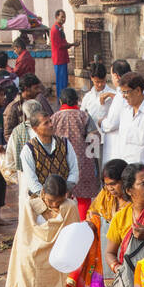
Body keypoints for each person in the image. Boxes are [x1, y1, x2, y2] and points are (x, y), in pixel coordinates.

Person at [68, 158, 128, 287]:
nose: (110, 189)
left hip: (127, 263)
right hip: (105, 262)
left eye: (114, 184)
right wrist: (90, 225)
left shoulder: (133, 201)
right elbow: (94, 213)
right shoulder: (105, 197)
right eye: (107, 185)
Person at [52, 87, 100, 221]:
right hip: (83, 162)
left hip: (60, 163)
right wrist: (93, 160)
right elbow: (94, 138)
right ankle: (82, 225)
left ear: (61, 102)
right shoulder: (84, 116)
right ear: (77, 101)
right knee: (83, 198)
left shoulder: (54, 118)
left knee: (62, 196)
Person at [19, 108, 79, 198]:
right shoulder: (29, 150)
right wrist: (47, 198)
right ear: (35, 129)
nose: (51, 125)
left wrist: (66, 189)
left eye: (50, 121)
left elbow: (74, 170)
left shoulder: (64, 143)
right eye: (46, 123)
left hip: (64, 196)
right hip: (41, 199)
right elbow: (31, 180)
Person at [100, 60, 132, 164]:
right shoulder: (134, 91)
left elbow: (111, 123)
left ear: (116, 76)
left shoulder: (121, 95)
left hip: (118, 145)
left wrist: (102, 122)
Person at [81, 62, 115, 130]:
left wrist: (111, 95)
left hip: (107, 136)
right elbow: (81, 116)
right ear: (91, 78)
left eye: (102, 81)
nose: (100, 84)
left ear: (105, 77)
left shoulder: (113, 94)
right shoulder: (87, 97)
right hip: (92, 136)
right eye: (97, 82)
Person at [50, 9, 71, 101]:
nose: (63, 19)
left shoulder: (59, 28)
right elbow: (60, 45)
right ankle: (61, 99)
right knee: (61, 81)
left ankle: (63, 99)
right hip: (59, 58)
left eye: (64, 17)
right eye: (62, 17)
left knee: (64, 81)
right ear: (56, 17)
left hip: (62, 58)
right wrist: (72, 45)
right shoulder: (55, 29)